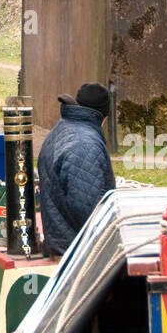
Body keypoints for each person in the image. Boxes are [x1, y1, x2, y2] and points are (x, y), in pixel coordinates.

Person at [37, 82, 115, 255]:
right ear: (104, 115)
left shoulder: (63, 128)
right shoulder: (85, 144)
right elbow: (88, 210)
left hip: (63, 244)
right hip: (77, 254)